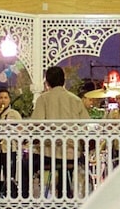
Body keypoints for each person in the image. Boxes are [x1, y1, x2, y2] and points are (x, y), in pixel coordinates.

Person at [33, 66, 90, 198]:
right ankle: (66, 199)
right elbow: (85, 125)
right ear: (64, 81)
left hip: (47, 154)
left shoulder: (43, 99)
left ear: (47, 83)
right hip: (72, 153)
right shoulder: (75, 100)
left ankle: (24, 200)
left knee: (25, 167)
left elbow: (35, 126)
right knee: (66, 167)